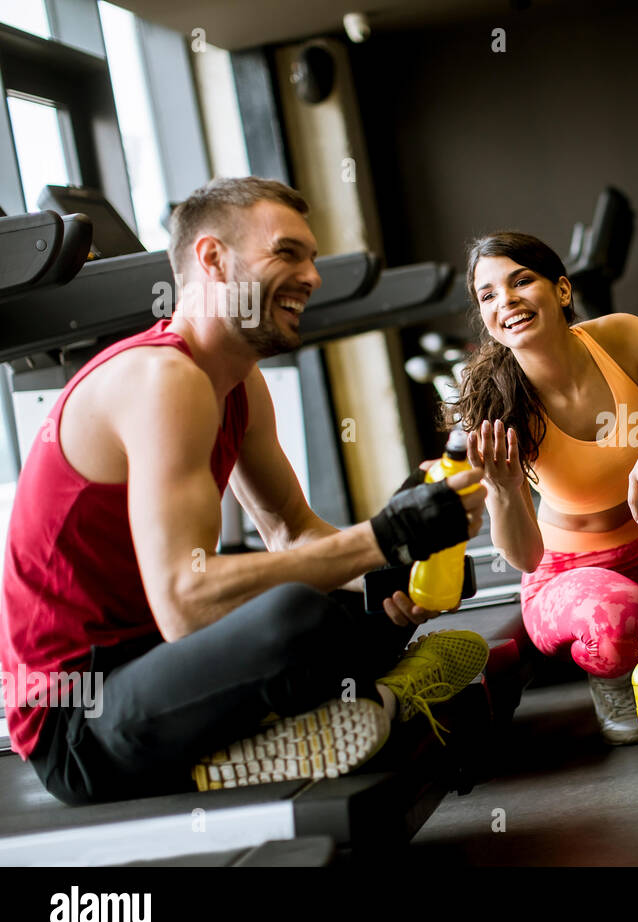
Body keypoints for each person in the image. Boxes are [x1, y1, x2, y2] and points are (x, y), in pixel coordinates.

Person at [0, 177, 489, 805]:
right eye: (287, 253)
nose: (312, 276)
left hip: (169, 669)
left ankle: (336, 712)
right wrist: (382, 537)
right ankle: (362, 709)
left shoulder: (239, 384)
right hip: (81, 723)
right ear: (211, 258)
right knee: (295, 619)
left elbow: (290, 528)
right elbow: (185, 605)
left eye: (312, 257)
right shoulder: (162, 380)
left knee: (358, 606)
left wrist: (391, 567)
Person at [456, 232, 638, 743]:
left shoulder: (621, 337)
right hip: (568, 577)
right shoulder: (499, 400)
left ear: (563, 291)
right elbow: (524, 558)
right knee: (624, 615)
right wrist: (505, 490)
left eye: (521, 280)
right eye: (488, 295)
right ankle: (610, 677)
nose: (506, 301)